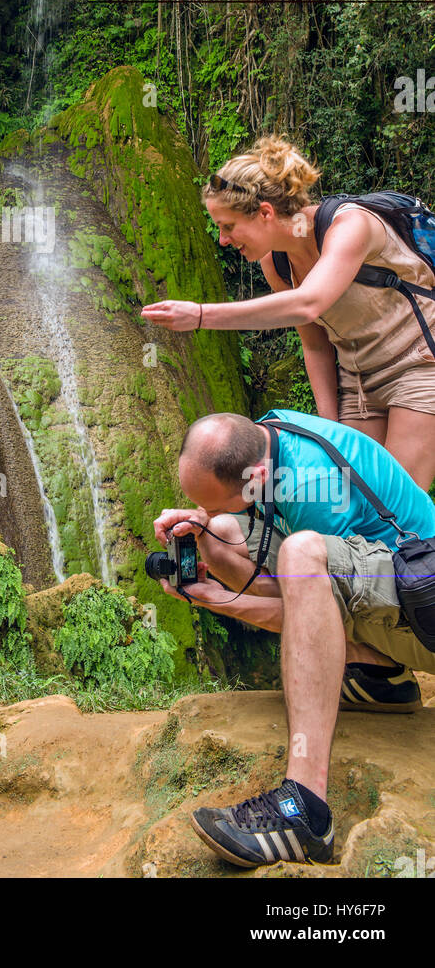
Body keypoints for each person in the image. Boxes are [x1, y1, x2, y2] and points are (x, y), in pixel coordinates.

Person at [153, 408, 435, 869]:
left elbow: (313, 602)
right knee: (226, 534)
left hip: (427, 613)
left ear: (255, 476)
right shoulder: (270, 435)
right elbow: (300, 588)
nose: (216, 511)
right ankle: (382, 678)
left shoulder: (312, 488)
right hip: (393, 590)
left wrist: (221, 601)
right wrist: (207, 530)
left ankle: (305, 811)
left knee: (302, 551)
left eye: (221, 500)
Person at [141, 135, 435, 489]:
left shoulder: (351, 226)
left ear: (265, 212)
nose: (222, 239)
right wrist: (331, 430)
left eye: (228, 226)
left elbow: (309, 302)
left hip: (418, 364)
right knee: (354, 498)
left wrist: (202, 316)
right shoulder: (276, 263)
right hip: (358, 381)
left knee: (397, 503)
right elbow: (314, 345)